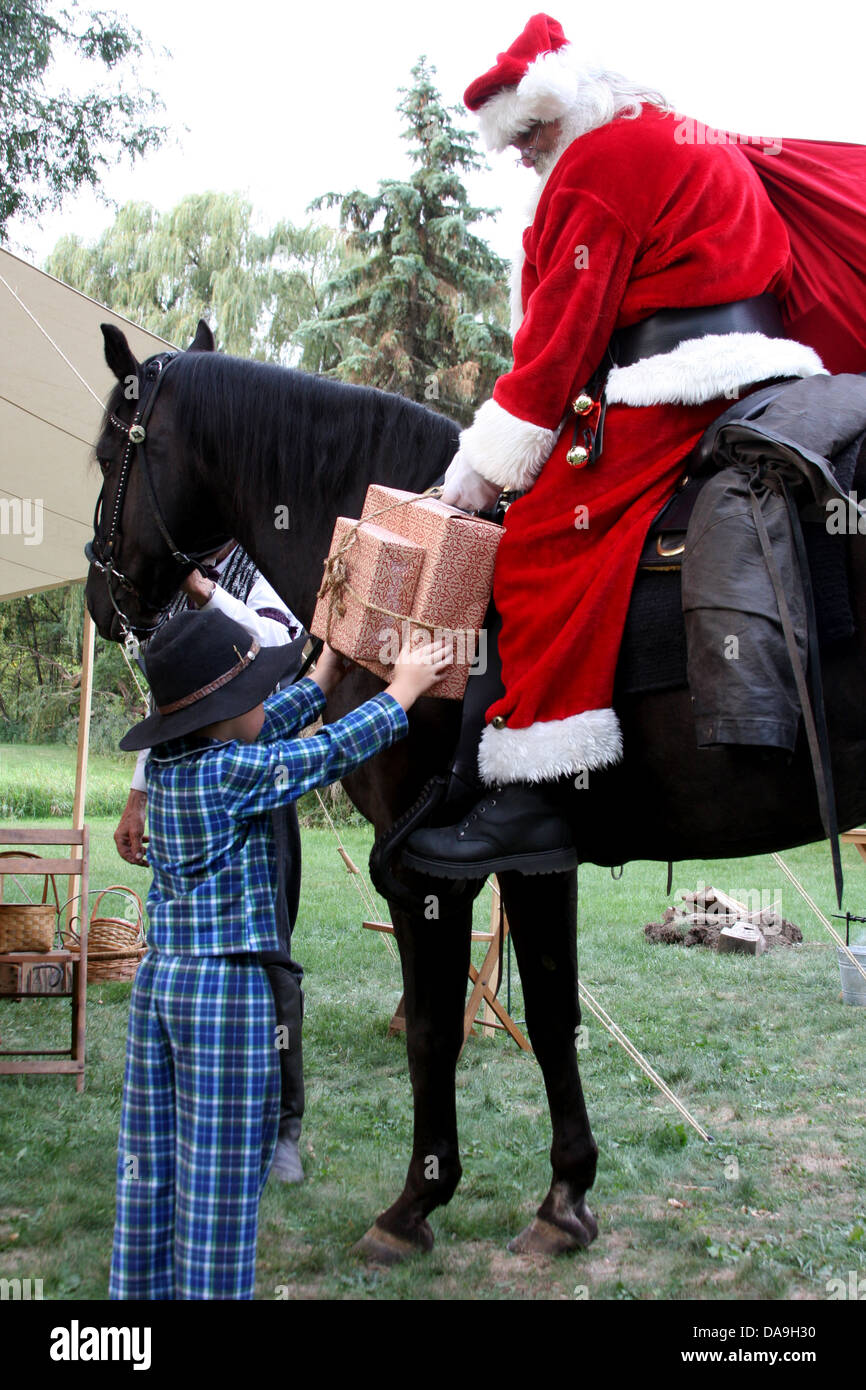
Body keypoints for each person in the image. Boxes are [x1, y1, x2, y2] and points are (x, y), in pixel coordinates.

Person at [405, 12, 827, 877]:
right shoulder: (685, 136)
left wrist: (483, 469)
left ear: (575, 99)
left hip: (682, 382)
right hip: (761, 366)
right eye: (514, 141)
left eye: (533, 132)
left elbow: (560, 341)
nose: (524, 153)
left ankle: (535, 794)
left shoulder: (600, 161)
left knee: (540, 537)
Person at [109, 607, 451, 1300]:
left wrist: (323, 672)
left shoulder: (182, 764)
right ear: (224, 708)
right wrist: (403, 692)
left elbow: (270, 724)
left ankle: (139, 1301)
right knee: (221, 1180)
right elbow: (322, 754)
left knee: (152, 1161)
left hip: (162, 986)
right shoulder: (234, 774)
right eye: (254, 691)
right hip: (225, 999)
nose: (265, 700)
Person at [115, 542, 310, 1183]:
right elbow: (171, 706)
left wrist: (207, 594)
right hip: (205, 770)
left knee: (270, 958)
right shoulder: (171, 579)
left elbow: (277, 647)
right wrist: (139, 793)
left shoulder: (261, 563)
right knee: (223, 970)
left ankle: (282, 1126)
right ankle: (209, 1120)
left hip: (258, 767)